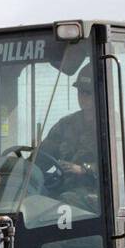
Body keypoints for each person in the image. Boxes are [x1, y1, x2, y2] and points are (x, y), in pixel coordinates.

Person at [40, 66, 100, 208]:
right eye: (80, 92)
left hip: (95, 192)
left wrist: (84, 169)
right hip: (63, 186)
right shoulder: (66, 124)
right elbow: (43, 156)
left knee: (65, 201)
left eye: (87, 93)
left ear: (98, 93)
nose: (82, 97)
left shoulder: (112, 125)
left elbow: (120, 168)